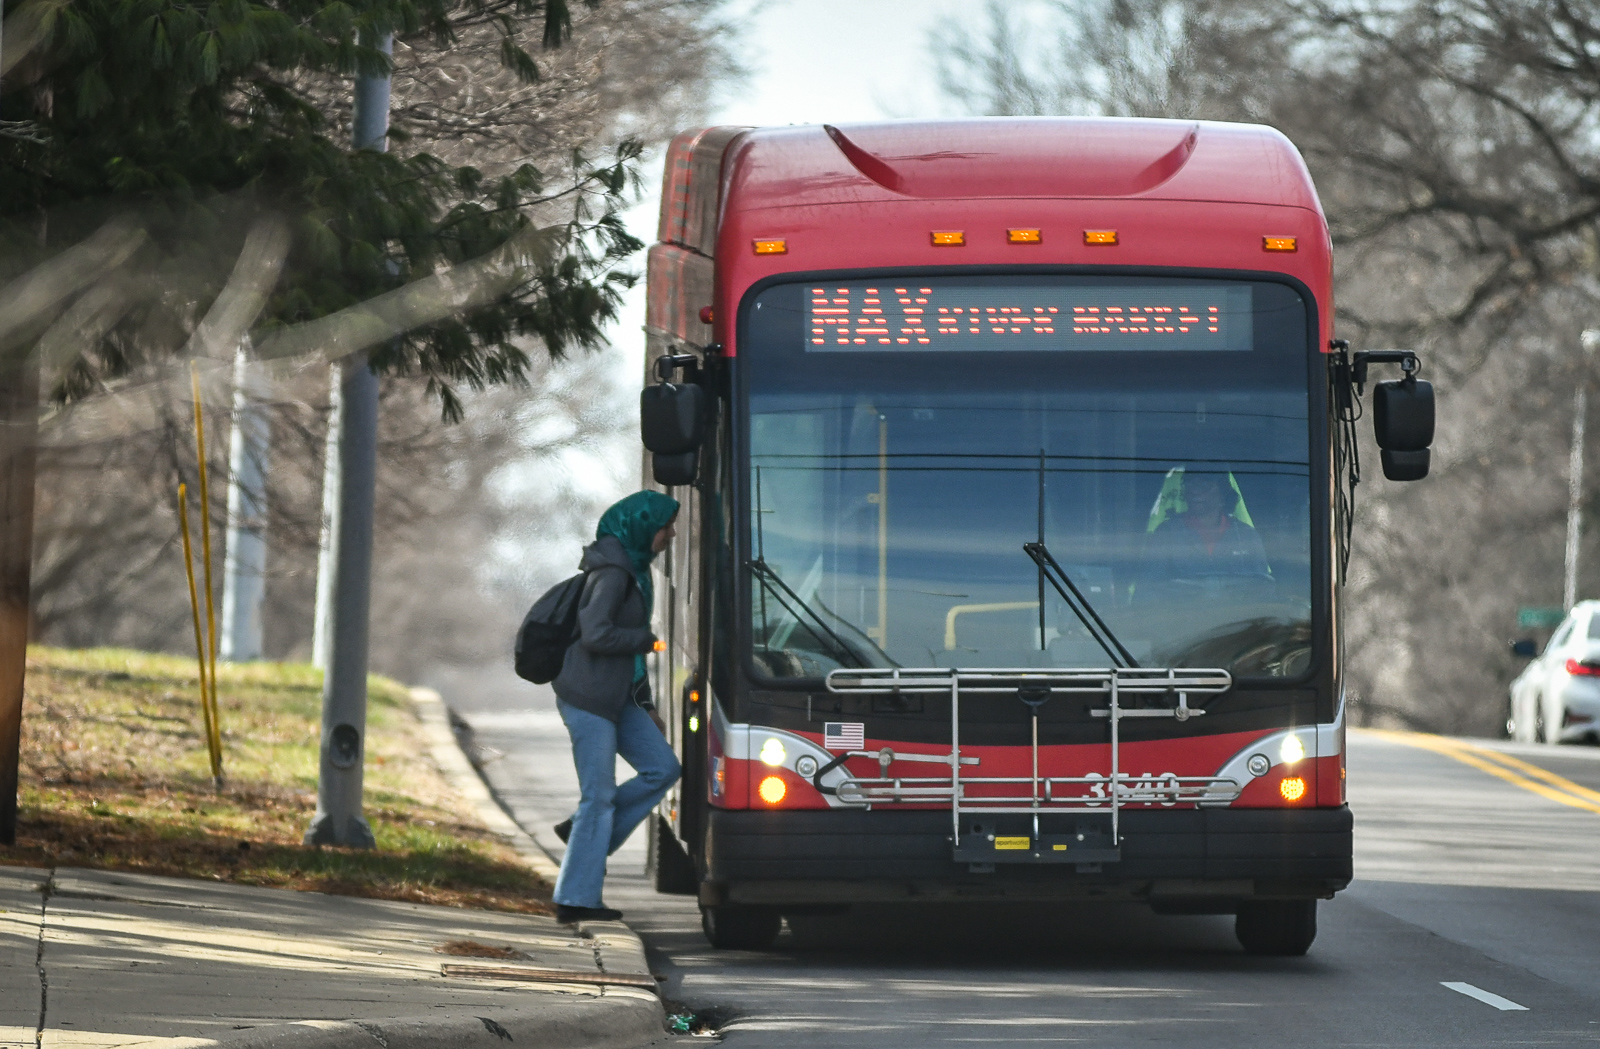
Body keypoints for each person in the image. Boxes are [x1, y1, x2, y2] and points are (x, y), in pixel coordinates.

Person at [547, 490, 682, 923]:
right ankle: (576, 899)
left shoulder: (635, 571)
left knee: (663, 768)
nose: (671, 535)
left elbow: (631, 660)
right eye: (666, 527)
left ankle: (582, 835)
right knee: (598, 798)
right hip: (588, 697)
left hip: (618, 696)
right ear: (643, 527)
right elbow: (596, 634)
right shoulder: (612, 573)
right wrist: (646, 640)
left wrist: (646, 704)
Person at [1141, 469, 1271, 584]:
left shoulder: (1246, 536)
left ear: (1223, 491)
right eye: (1190, 483)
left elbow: (1263, 590)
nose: (1195, 491)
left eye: (1204, 484)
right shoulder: (1166, 534)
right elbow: (1147, 591)